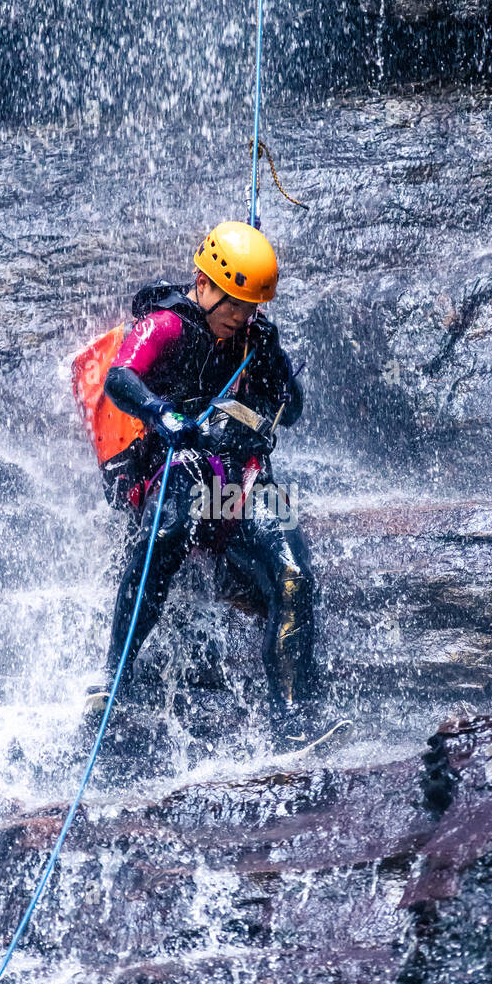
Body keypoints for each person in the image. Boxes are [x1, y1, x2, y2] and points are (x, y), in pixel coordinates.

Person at [84, 220, 319, 748]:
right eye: (234, 302)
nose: (242, 315)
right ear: (205, 283)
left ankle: (293, 723)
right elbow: (122, 376)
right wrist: (162, 415)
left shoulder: (256, 340)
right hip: (179, 461)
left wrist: (279, 377)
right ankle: (112, 678)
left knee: (294, 576)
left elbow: (294, 409)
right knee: (163, 539)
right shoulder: (169, 324)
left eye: (251, 305)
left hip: (243, 477)